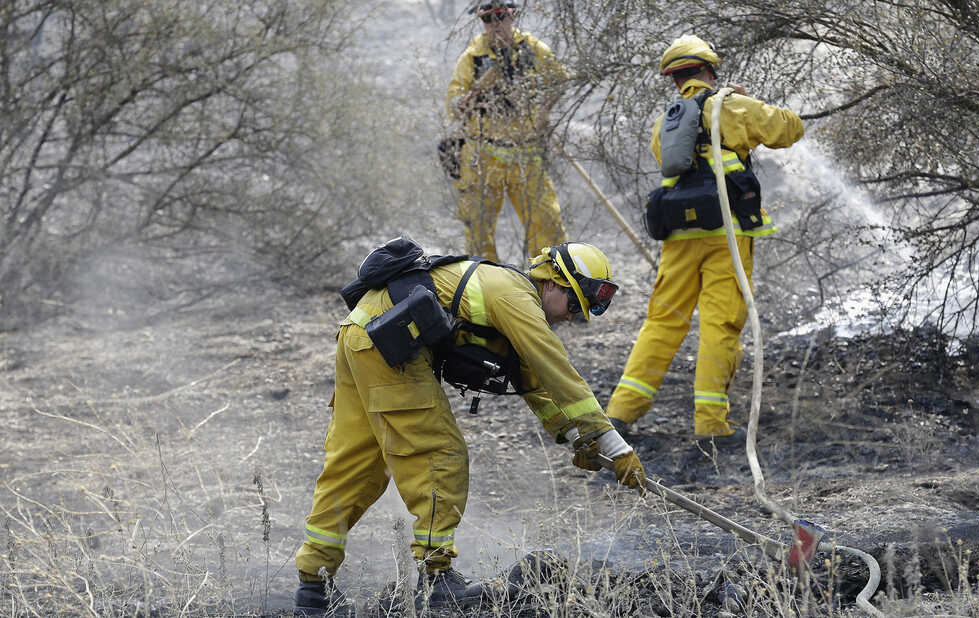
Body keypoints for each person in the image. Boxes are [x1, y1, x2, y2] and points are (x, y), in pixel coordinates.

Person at [293, 241, 646, 615]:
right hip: (386, 344)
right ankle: (437, 577)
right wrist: (616, 445)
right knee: (439, 455)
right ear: (555, 282)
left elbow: (534, 383)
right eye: (575, 305)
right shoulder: (514, 296)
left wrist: (578, 437)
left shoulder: (510, 296)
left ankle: (313, 587)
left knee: (355, 464)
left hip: (362, 335)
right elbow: (557, 371)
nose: (573, 318)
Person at [605, 35, 804, 444]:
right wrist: (746, 102)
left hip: (678, 236)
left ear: (675, 80)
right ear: (709, 70)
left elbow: (671, 161)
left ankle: (620, 414)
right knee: (720, 326)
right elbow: (789, 130)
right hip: (725, 235)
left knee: (661, 323)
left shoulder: (667, 121)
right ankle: (711, 427)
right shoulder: (731, 106)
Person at [445, 0, 568, 262]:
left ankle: (548, 287)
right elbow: (454, 105)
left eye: (501, 16)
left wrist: (544, 109)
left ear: (513, 16)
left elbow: (560, 78)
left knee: (547, 224)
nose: (495, 24)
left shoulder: (533, 49)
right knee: (478, 230)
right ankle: (487, 289)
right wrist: (477, 92)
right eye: (488, 19)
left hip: (527, 153)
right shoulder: (472, 58)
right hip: (482, 157)